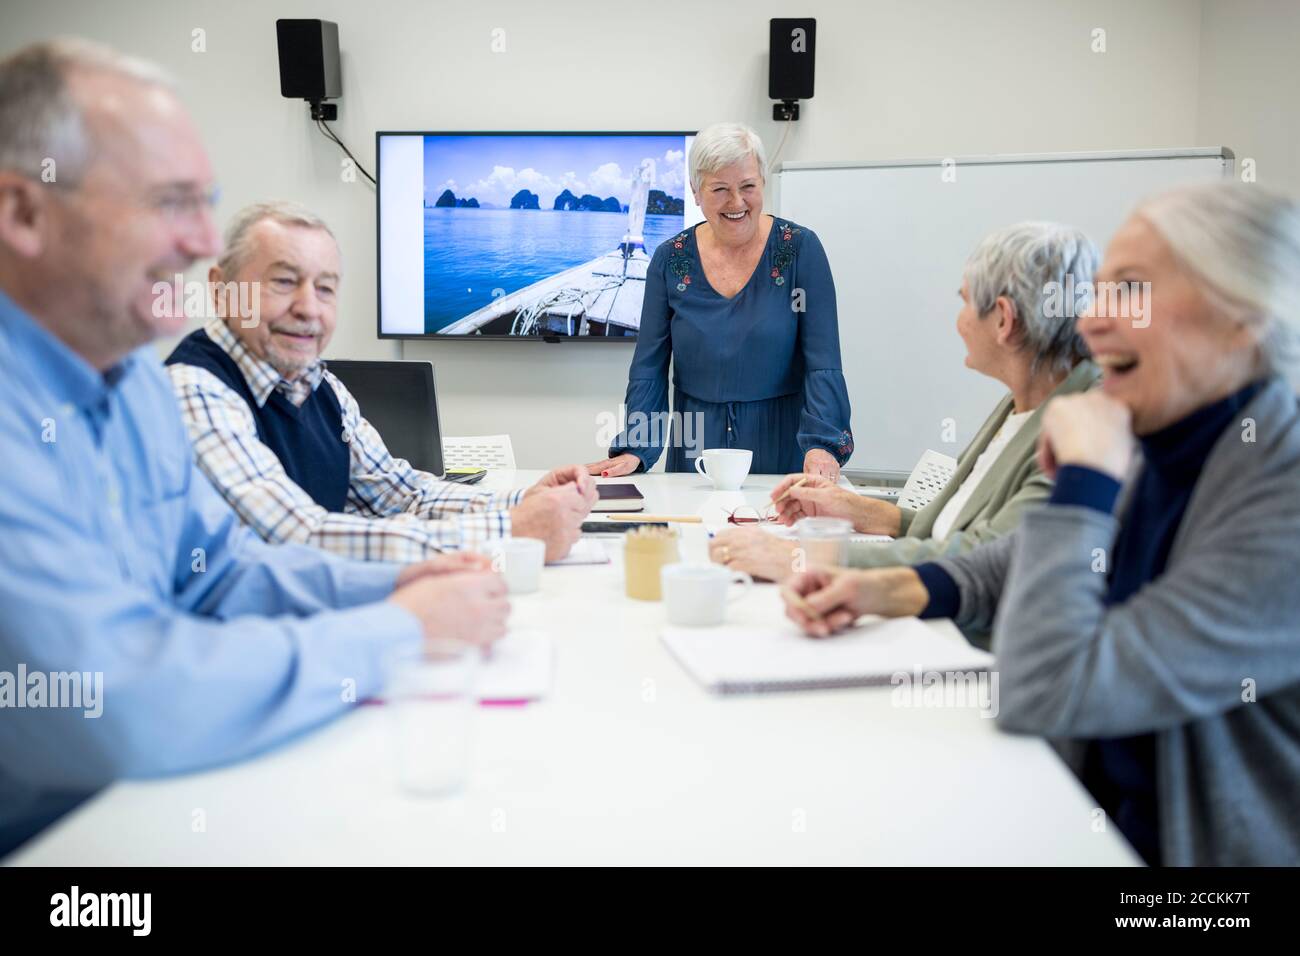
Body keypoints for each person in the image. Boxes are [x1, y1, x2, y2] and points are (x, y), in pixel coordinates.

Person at [0, 39, 506, 856]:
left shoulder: (125, 379)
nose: (202, 243)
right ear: (25, 212)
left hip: (155, 802)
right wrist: (400, 629)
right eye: (168, 202)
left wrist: (390, 583)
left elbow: (224, 569)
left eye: (205, 203)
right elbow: (115, 703)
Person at [781, 183, 1300, 866]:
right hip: (1077, 811)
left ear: (1243, 320)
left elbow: (1049, 689)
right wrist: (893, 589)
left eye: (1132, 291)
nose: (1089, 323)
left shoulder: (1279, 500)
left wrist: (1083, 483)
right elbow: (1010, 556)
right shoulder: (1176, 434)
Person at [166, 201, 595, 564]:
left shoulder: (320, 386)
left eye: (326, 288)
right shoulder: (193, 390)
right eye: (283, 281)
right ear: (221, 290)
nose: (309, 309)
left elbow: (402, 495)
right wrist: (514, 528)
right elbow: (298, 540)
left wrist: (524, 502)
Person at [711, 222, 1100, 581]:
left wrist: (799, 558)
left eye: (965, 302)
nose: (958, 320)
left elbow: (984, 558)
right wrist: (854, 508)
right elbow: (948, 529)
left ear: (1003, 319)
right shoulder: (1023, 404)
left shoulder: (1082, 434)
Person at [587, 122, 853, 481]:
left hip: (782, 439)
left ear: (762, 182)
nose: (737, 203)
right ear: (696, 192)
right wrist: (636, 446)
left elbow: (823, 362)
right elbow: (649, 366)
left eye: (747, 186)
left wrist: (823, 444)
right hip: (695, 440)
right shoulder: (670, 259)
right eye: (720, 189)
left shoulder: (800, 249)